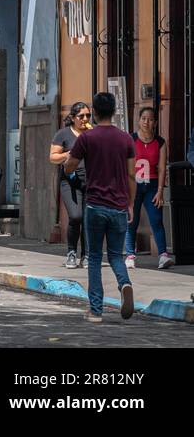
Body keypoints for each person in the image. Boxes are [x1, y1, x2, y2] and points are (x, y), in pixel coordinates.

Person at [65, 91, 136, 322]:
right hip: (118, 206)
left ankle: (96, 311)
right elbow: (132, 175)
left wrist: (70, 162)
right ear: (114, 111)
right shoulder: (126, 138)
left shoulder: (87, 138)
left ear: (94, 112)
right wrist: (130, 204)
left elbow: (69, 166)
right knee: (116, 255)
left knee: (94, 257)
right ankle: (124, 283)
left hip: (95, 205)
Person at [127, 106, 174, 270]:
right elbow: (126, 166)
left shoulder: (160, 142)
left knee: (157, 220)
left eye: (151, 119)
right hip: (134, 186)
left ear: (155, 122)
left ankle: (163, 256)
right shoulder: (131, 139)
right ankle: (130, 255)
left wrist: (161, 190)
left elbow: (162, 168)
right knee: (132, 221)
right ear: (139, 120)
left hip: (153, 186)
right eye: (144, 118)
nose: (147, 122)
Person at [50, 101, 91, 268]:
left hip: (91, 182)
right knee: (76, 216)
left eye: (88, 115)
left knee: (89, 219)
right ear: (73, 118)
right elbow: (52, 157)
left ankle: (87, 255)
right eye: (81, 116)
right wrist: (69, 153)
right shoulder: (63, 134)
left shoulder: (92, 133)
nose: (85, 119)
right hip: (70, 182)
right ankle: (71, 252)